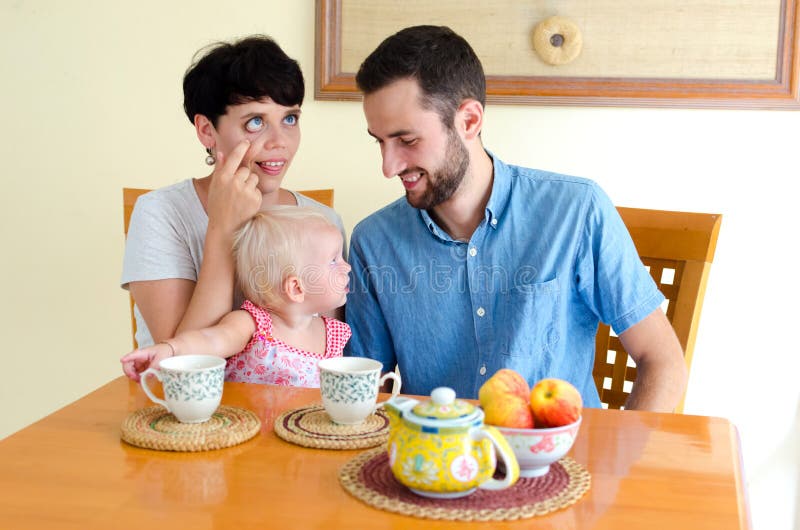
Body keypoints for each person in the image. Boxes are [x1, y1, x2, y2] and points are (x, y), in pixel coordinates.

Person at [345, 25, 687, 411]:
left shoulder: (575, 211)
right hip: (439, 462)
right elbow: (363, 391)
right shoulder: (372, 242)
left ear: (469, 121)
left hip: (566, 462)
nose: (389, 167)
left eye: (407, 141)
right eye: (380, 141)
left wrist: (623, 470)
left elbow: (662, 361)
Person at [121, 35, 345, 348]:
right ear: (206, 130)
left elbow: (324, 352)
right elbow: (181, 365)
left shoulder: (323, 221)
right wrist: (224, 228)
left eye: (290, 118)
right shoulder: (161, 213)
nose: (279, 140)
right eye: (256, 122)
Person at [121, 207, 351, 388]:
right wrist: (169, 351)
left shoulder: (333, 334)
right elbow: (210, 340)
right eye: (334, 261)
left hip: (302, 437)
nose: (347, 267)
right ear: (296, 288)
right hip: (244, 435)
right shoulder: (252, 324)